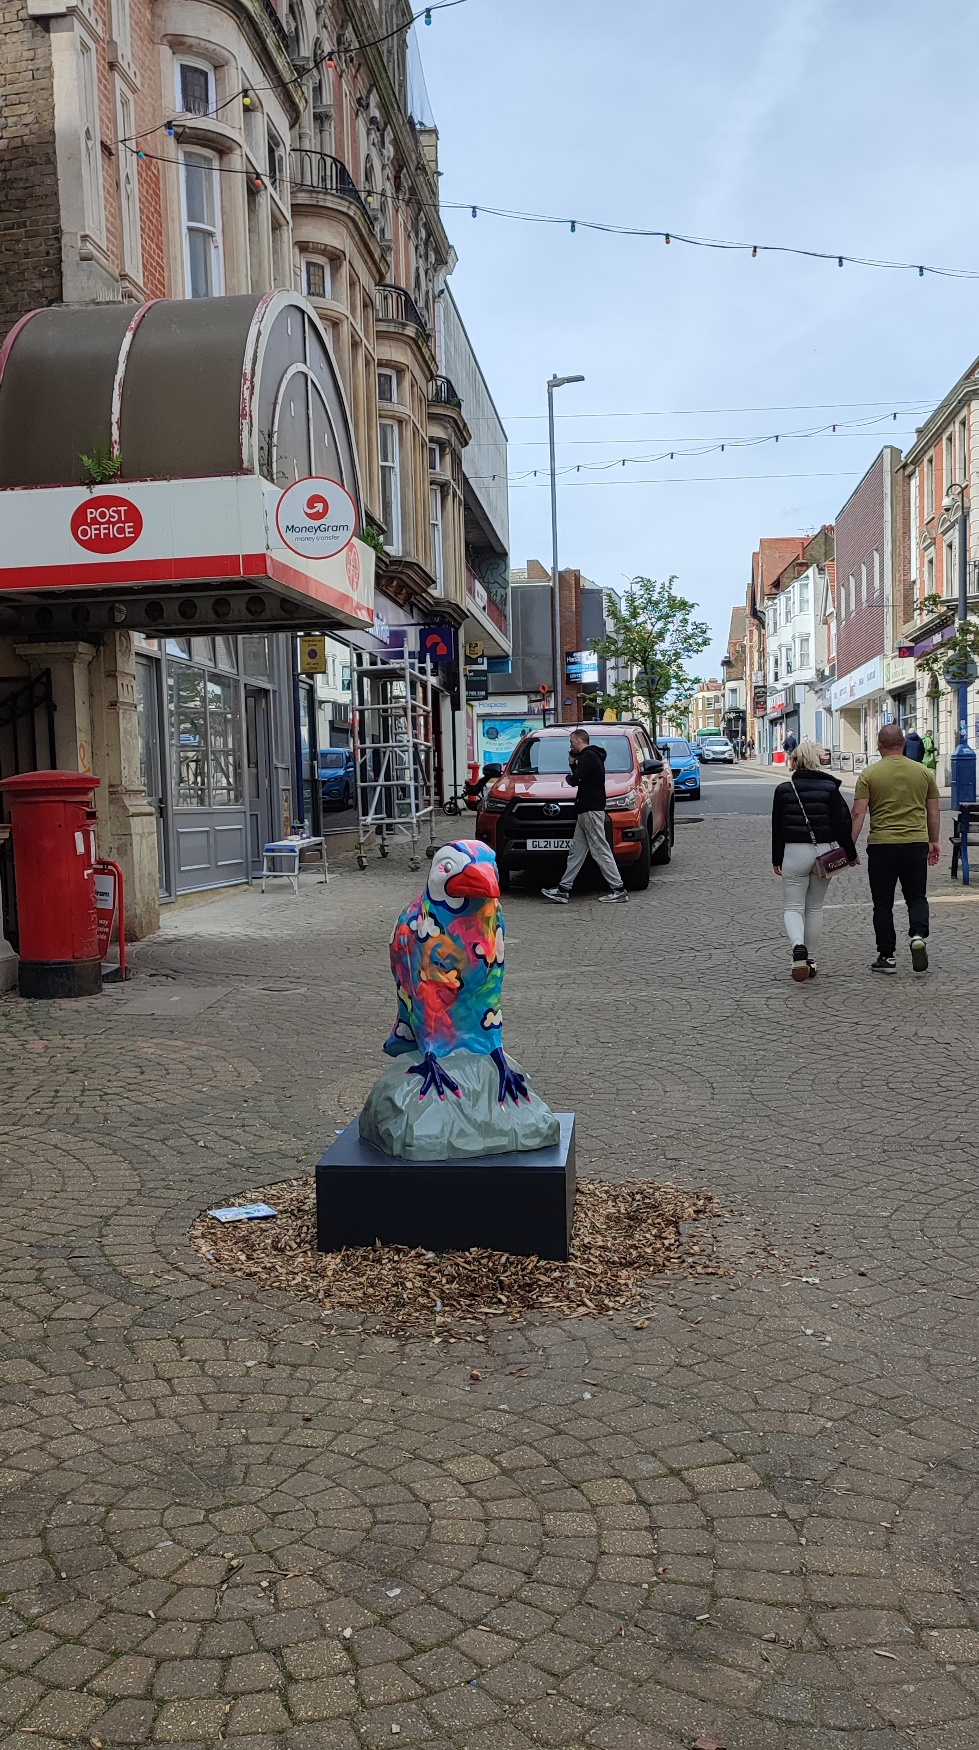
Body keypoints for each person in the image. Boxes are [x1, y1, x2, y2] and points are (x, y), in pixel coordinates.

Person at [850, 723, 941, 974]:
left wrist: (849, 847)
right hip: (915, 844)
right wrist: (934, 841)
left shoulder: (869, 774)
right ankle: (918, 935)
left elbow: (858, 813)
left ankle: (887, 956)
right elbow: (933, 811)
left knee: (882, 903)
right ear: (903, 744)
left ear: (879, 745)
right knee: (916, 897)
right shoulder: (923, 773)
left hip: (882, 846)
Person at [772, 740, 858, 981]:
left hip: (794, 851)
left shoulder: (784, 790)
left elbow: (777, 827)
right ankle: (809, 958)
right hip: (823, 853)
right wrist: (850, 853)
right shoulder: (830, 789)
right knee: (814, 908)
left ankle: (797, 946)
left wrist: (776, 857)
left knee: (793, 907)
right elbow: (842, 825)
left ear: (796, 762)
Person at [542, 728, 628, 905]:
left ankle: (618, 889)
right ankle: (563, 889)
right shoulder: (592, 756)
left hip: (590, 809)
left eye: (572, 742)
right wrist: (574, 766)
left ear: (580, 741)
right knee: (577, 851)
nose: (571, 745)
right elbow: (582, 776)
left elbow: (575, 779)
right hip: (586, 810)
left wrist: (570, 769)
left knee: (599, 848)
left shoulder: (588, 756)